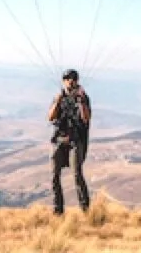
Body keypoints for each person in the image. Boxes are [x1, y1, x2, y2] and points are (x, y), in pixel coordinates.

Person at [48, 68, 91, 215]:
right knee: (54, 175)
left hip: (74, 141)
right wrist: (58, 100)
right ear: (63, 81)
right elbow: (51, 116)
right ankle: (58, 210)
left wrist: (81, 101)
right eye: (67, 79)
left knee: (77, 175)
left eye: (73, 78)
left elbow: (86, 118)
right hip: (59, 139)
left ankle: (86, 210)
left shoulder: (83, 98)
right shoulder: (59, 97)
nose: (70, 81)